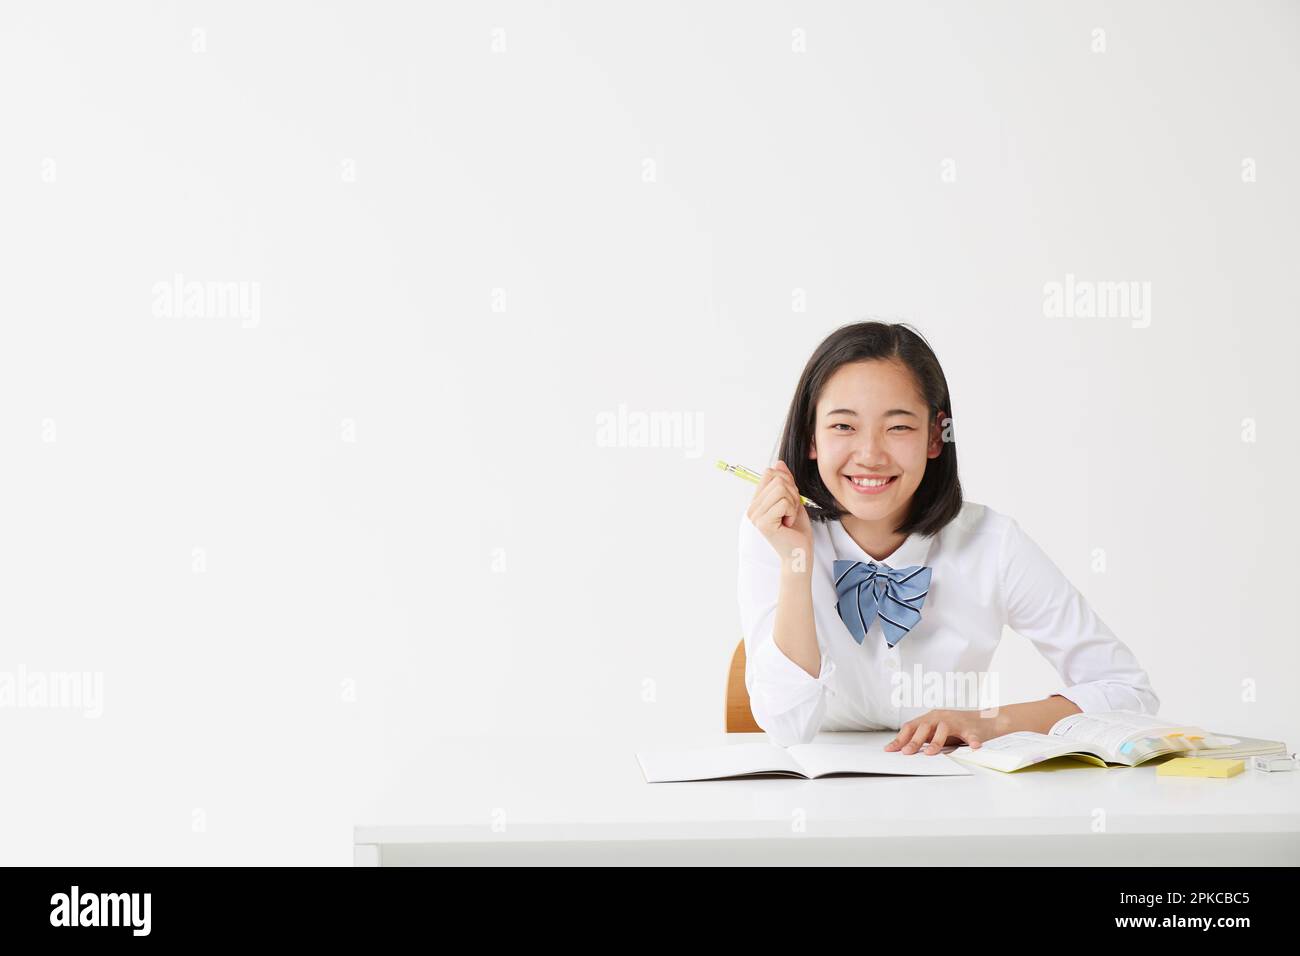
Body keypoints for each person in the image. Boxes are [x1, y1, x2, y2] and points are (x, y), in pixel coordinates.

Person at [738, 321, 1158, 751]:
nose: (869, 455)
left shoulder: (993, 543)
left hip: (951, 789)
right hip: (819, 795)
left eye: (898, 427)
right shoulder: (777, 533)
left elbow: (1129, 694)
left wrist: (992, 722)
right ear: (811, 437)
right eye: (843, 427)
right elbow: (786, 728)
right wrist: (796, 565)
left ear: (935, 437)